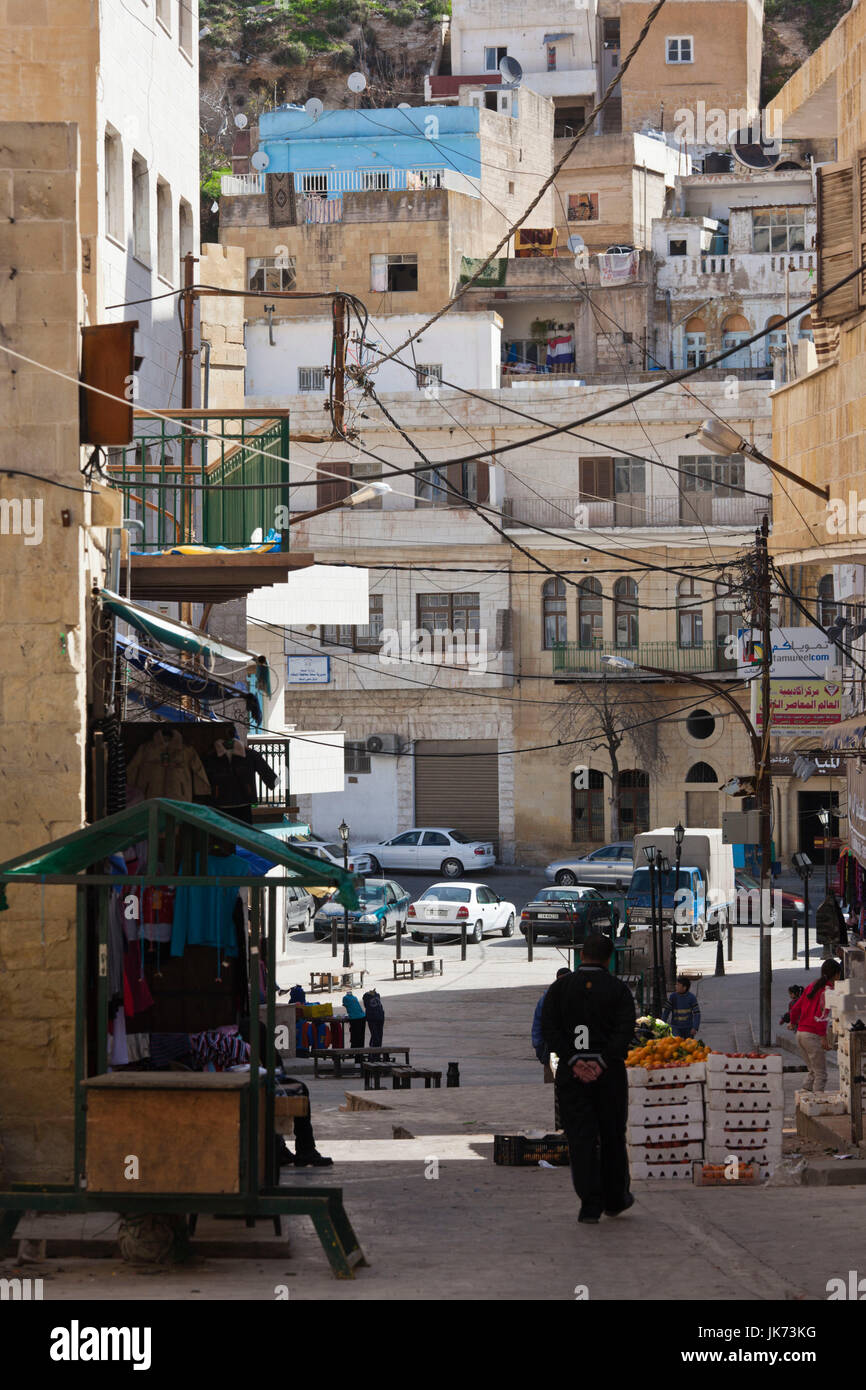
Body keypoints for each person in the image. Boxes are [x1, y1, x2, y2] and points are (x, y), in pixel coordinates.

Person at [541, 934, 637, 1224]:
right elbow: (625, 1031)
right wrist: (602, 1061)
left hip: (572, 1076)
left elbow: (549, 1027)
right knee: (612, 1136)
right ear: (609, 958)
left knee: (581, 1139)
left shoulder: (559, 989)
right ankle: (615, 1198)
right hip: (608, 1076)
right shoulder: (619, 990)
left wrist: (573, 1060)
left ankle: (589, 1204)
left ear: (582, 955)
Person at [788, 958, 842, 1093]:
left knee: (812, 1072)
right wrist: (823, 1037)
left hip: (800, 1034)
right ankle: (816, 1105)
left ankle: (804, 1102)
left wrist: (793, 1022)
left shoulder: (812, 985)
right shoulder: (828, 990)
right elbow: (821, 1016)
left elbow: (795, 1009)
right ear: (836, 974)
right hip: (812, 1036)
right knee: (821, 1075)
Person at [532, 967, 571, 1081]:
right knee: (554, 1084)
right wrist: (540, 1048)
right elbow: (538, 1025)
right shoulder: (547, 999)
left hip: (569, 1053)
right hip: (553, 1052)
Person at [816, 892, 846, 956]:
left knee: (827, 943)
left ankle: (827, 954)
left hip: (826, 931)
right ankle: (828, 954)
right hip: (829, 930)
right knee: (828, 943)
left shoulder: (823, 907)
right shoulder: (831, 907)